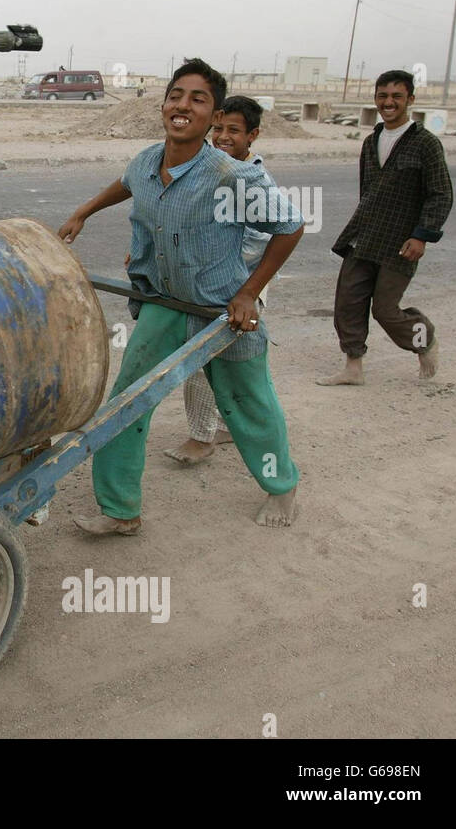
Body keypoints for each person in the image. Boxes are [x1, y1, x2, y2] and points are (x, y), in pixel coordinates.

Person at [57, 59, 305, 532]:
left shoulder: (230, 176)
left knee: (248, 405)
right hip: (164, 306)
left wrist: (249, 293)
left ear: (214, 116)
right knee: (126, 402)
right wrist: (84, 211)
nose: (183, 106)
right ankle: (120, 510)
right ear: (164, 105)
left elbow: (290, 226)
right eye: (176, 96)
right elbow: (126, 184)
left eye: (198, 99)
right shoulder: (146, 161)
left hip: (222, 315)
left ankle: (282, 487)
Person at [317, 69, 453, 385]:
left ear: (410, 99)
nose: (388, 102)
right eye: (382, 96)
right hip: (364, 237)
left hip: (401, 243)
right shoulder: (370, 141)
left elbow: (441, 194)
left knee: (386, 310)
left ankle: (424, 340)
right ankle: (353, 368)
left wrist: (421, 236)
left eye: (396, 96)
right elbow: (368, 191)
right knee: (348, 303)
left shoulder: (426, 144)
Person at [164, 95, 273, 465]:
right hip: (205, 284)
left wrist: (211, 269)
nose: (224, 137)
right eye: (219, 128)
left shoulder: (254, 180)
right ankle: (206, 432)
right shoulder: (208, 170)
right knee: (203, 361)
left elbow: (256, 242)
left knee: (226, 366)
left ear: (252, 136)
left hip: (241, 287)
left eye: (234, 131)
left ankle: (213, 434)